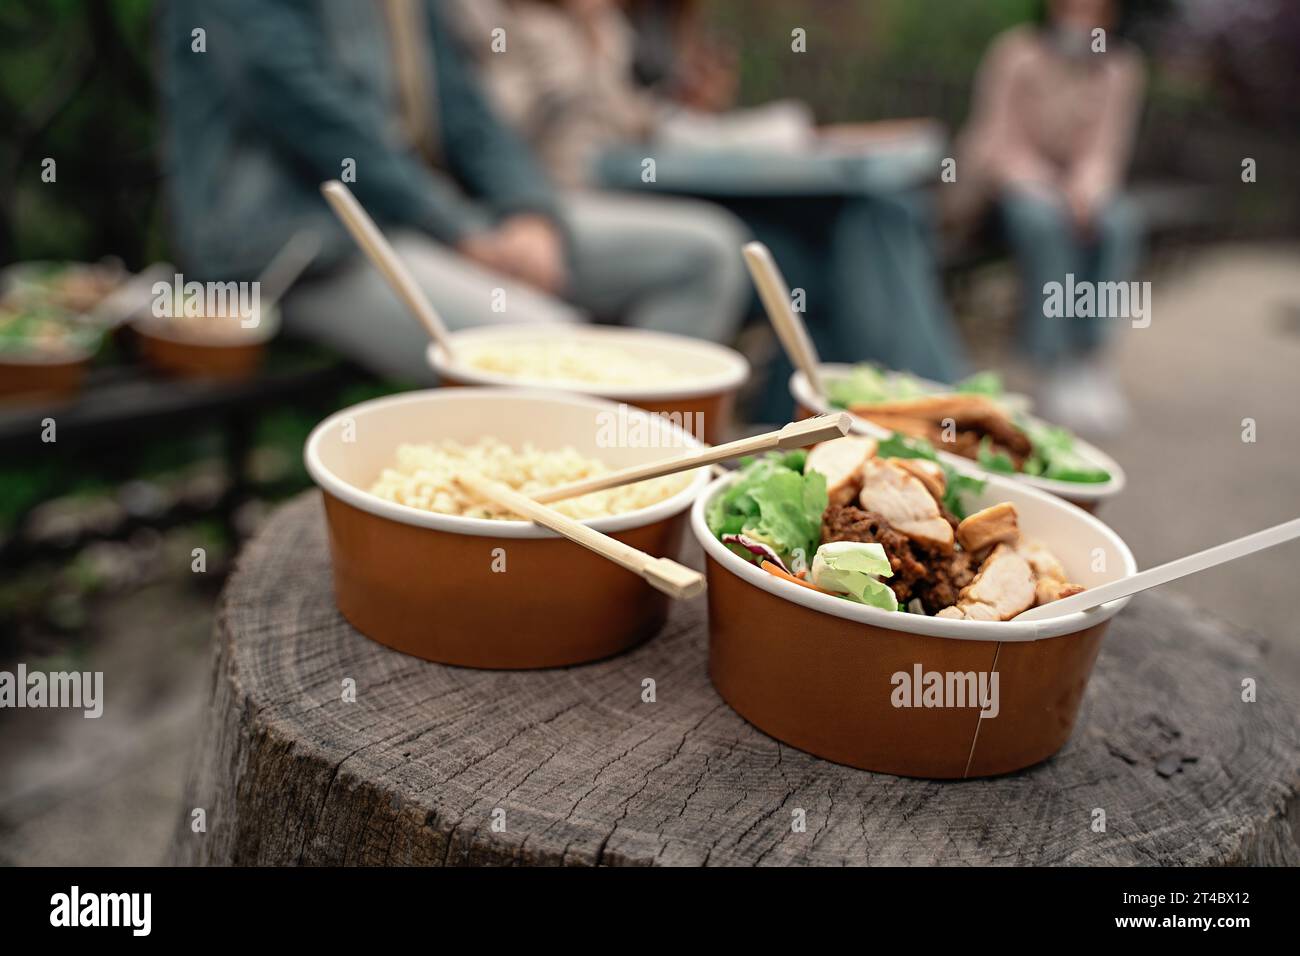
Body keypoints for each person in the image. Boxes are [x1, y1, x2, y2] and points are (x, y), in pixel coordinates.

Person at [159, 0, 750, 384]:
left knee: (703, 255)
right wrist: (461, 230)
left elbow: (466, 109)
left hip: (425, 216)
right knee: (543, 349)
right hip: (300, 243)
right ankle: (580, 521)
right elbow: (314, 117)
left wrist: (529, 212)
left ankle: (644, 476)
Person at [955, 0, 1145, 434]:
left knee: (1119, 222)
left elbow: (1106, 150)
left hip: (1072, 189)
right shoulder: (1015, 52)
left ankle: (1089, 358)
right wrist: (1046, 187)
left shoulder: (1121, 68)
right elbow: (993, 139)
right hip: (1007, 189)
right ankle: (1050, 359)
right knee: (1044, 222)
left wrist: (1085, 192)